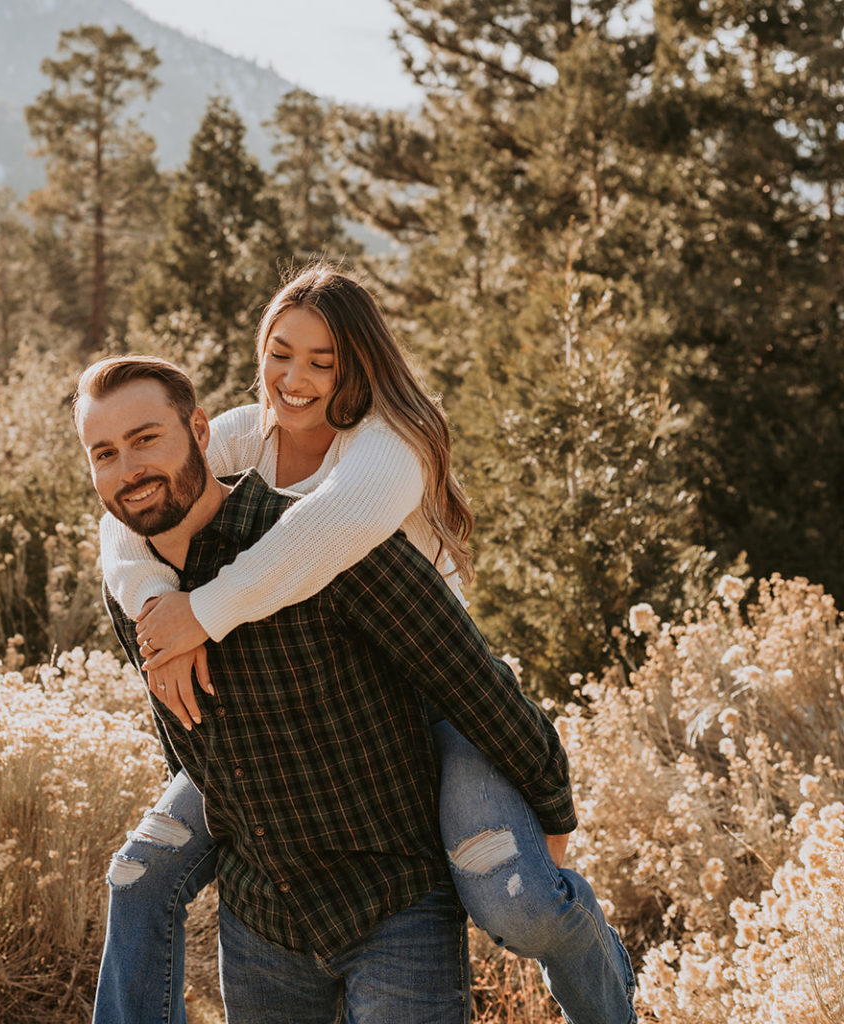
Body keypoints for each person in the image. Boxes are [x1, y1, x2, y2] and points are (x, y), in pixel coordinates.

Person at [93, 266, 636, 1024]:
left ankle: (608, 987)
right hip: (312, 724)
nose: (296, 377)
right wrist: (155, 602)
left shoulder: (388, 446)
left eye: (324, 361)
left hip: (435, 702)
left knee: (519, 904)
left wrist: (199, 615)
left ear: (359, 365)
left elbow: (324, 539)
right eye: (281, 352)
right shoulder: (243, 434)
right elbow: (127, 511)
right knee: (141, 876)